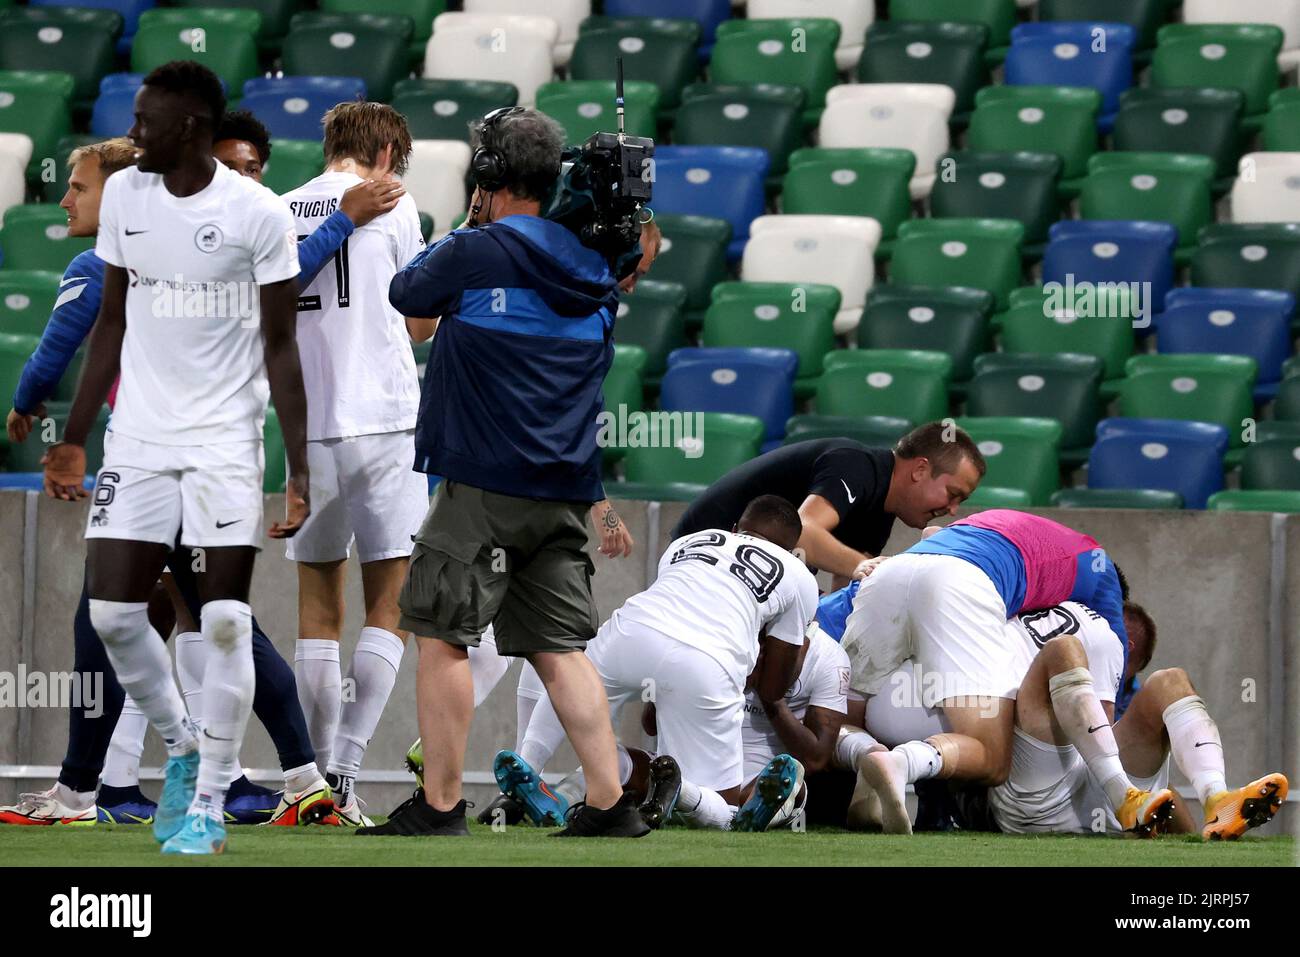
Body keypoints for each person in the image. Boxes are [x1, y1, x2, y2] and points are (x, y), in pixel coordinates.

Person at [1, 136, 327, 828]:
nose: (66, 198)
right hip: (216, 459)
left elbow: (52, 355)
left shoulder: (101, 267)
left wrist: (27, 407)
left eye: (80, 188)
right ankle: (298, 776)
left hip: (151, 462)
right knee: (215, 620)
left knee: (113, 617)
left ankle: (88, 787)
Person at [371, 106, 643, 837]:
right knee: (561, 650)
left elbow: (405, 295)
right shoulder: (593, 267)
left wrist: (468, 225)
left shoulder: (476, 251)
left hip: (481, 484)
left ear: (486, 175)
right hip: (559, 489)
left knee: (442, 637)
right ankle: (612, 804)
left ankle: (439, 805)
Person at [279, 102, 431, 827]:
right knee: (388, 599)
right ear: (386, 150)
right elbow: (420, 320)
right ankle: (342, 770)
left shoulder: (280, 206)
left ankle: (309, 781)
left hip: (307, 426)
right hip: (388, 418)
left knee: (317, 600)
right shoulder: (398, 210)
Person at [500, 496, 820, 833]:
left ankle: (529, 766)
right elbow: (773, 688)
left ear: (736, 528)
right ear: (792, 549)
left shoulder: (689, 540)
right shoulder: (797, 574)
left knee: (572, 683)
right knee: (723, 805)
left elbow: (676, 609)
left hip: (630, 632)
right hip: (708, 659)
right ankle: (682, 793)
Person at [839, 510, 1134, 834]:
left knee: (842, 719)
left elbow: (931, 534)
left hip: (891, 571)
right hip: (960, 583)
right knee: (992, 757)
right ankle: (901, 763)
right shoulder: (1100, 575)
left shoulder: (987, 527)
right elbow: (1114, 659)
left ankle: (867, 758)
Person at [673, 422, 986, 589]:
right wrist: (869, 568)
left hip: (746, 576)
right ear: (919, 470)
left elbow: (847, 589)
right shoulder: (855, 464)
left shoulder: (883, 506)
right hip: (698, 564)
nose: (953, 509)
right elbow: (804, 530)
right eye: (953, 493)